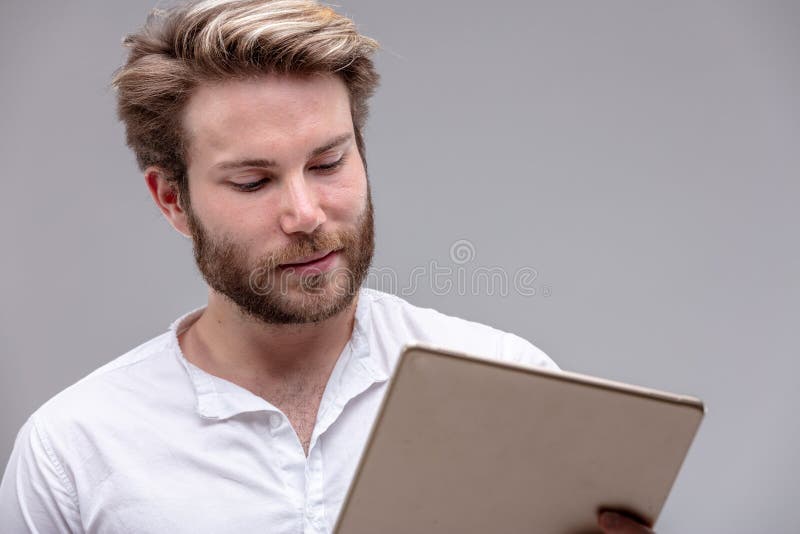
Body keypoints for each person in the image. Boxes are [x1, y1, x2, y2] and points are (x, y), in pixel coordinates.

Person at [0, 1, 653, 532]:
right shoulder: (73, 452)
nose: (306, 213)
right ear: (173, 200)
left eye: (328, 163)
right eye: (254, 181)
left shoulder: (515, 386)